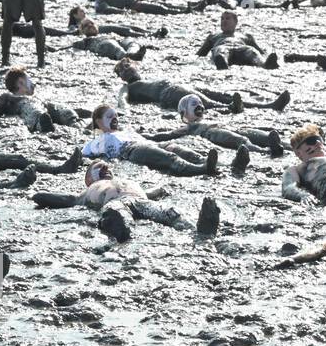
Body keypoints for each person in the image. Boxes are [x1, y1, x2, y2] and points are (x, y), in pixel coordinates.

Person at [34, 159, 221, 241]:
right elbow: (56, 199)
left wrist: (163, 189)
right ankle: (123, 233)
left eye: (106, 165)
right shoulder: (86, 191)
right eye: (98, 166)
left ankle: (202, 230)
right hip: (114, 202)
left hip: (140, 201)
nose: (105, 167)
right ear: (88, 179)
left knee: (170, 212)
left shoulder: (123, 180)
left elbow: (157, 191)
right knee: (118, 215)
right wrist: (39, 196)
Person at [81, 103, 218, 178]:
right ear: (99, 121)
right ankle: (202, 170)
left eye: (116, 116)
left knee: (176, 148)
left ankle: (211, 163)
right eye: (110, 116)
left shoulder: (126, 131)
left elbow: (151, 137)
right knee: (171, 158)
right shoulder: (97, 141)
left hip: (150, 144)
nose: (115, 119)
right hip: (133, 150)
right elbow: (84, 156)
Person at [114, 58, 290, 114]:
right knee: (208, 103)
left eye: (127, 66)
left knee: (222, 95)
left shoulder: (149, 78)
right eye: (122, 71)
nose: (126, 71)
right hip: (169, 93)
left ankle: (267, 105)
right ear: (121, 78)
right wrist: (125, 111)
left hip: (181, 87)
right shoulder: (128, 88)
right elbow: (122, 101)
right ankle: (230, 109)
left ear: (136, 65)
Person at [148, 94, 283, 161]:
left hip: (228, 127)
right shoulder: (189, 128)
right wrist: (145, 136)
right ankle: (267, 151)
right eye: (194, 104)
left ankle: (275, 142)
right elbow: (166, 135)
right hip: (215, 133)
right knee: (242, 140)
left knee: (249, 133)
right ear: (183, 113)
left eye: (201, 103)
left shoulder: (210, 117)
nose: (200, 106)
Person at [0, 66, 87, 133]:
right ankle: (41, 124)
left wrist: (89, 113)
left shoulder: (37, 97)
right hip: (29, 109)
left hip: (43, 105)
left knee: (59, 107)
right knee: (35, 111)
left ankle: (76, 123)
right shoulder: (8, 98)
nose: (33, 84)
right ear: (21, 82)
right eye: (29, 80)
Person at [198, 10, 278, 69]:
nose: (224, 21)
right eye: (222, 19)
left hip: (242, 49)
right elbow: (200, 54)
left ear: (235, 22)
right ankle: (222, 64)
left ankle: (264, 64)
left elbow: (261, 52)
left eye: (227, 18)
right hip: (224, 47)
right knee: (220, 50)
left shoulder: (246, 36)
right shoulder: (213, 36)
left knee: (251, 50)